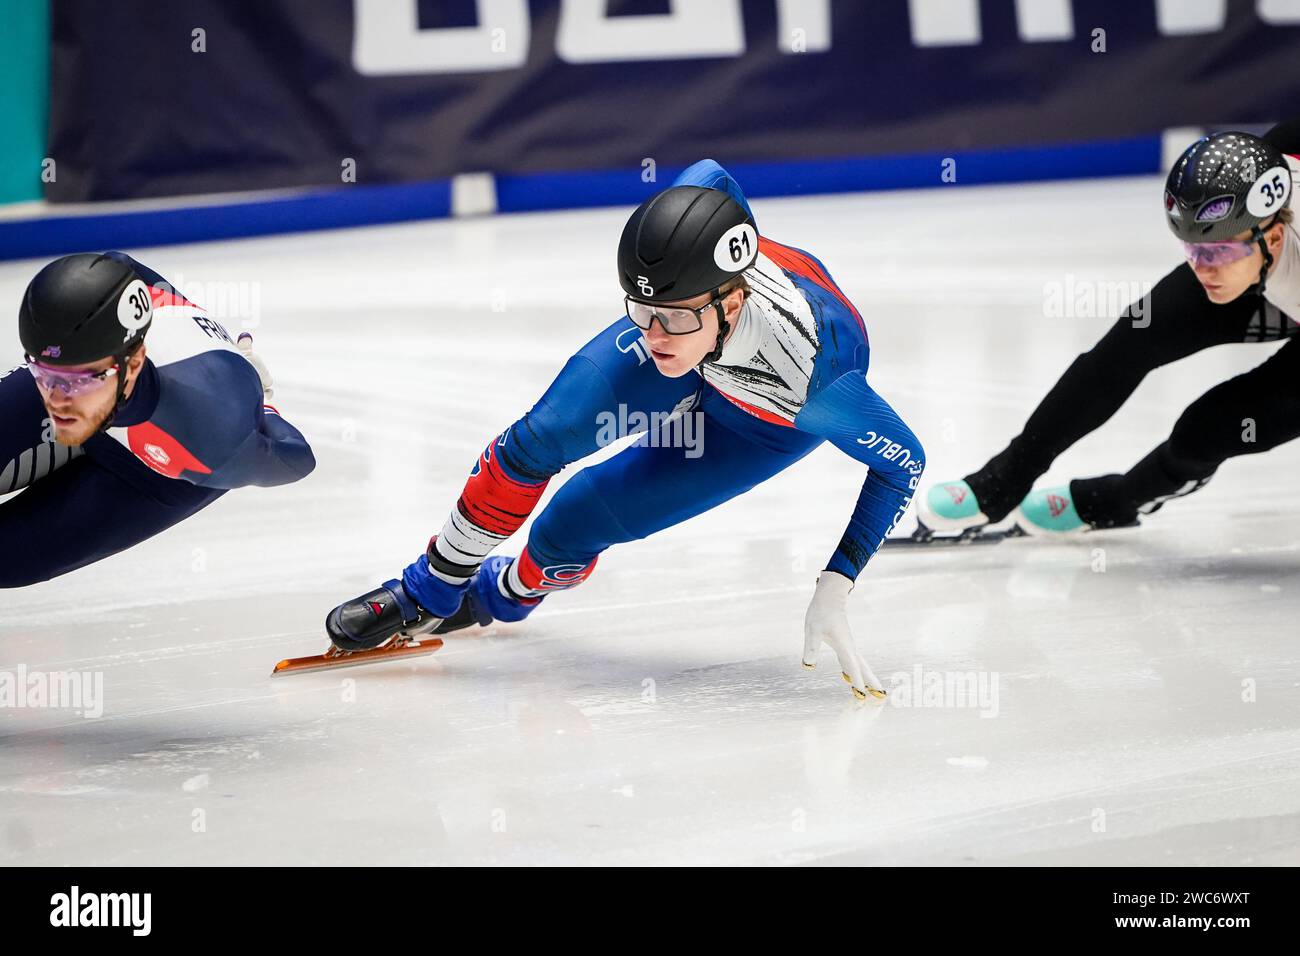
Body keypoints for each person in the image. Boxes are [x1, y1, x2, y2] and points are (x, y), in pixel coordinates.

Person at [324, 161, 924, 700]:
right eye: (640, 311)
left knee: (572, 524)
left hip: (760, 424)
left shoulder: (816, 383)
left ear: (732, 304)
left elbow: (904, 463)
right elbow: (712, 175)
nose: (652, 336)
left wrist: (836, 583)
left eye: (670, 317)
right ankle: (429, 588)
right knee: (542, 438)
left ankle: (500, 594)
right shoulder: (680, 308)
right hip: (706, 346)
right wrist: (671, 310)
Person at [922, 123, 1299, 535]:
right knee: (1131, 342)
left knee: (1210, 429)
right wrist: (1222, 252)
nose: (1202, 268)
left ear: (1275, 238)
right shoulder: (1265, 165)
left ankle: (1120, 499)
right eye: (1193, 249)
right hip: (1262, 269)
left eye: (1219, 251)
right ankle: (1003, 480)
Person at [1, 251, 315, 586]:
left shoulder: (214, 436)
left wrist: (263, 413)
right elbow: (119, 262)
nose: (57, 400)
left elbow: (297, 459)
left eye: (79, 380)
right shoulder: (98, 322)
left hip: (149, 473)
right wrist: (65, 376)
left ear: (134, 364)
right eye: (44, 373)